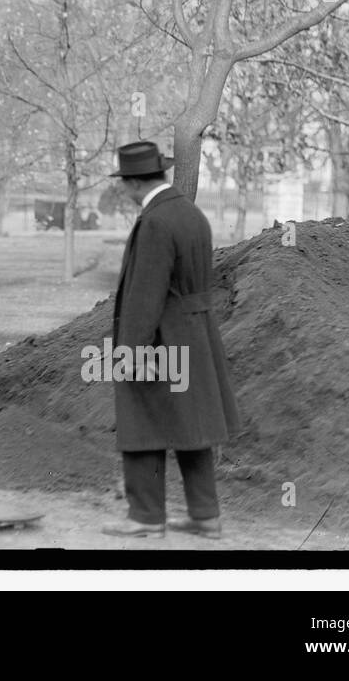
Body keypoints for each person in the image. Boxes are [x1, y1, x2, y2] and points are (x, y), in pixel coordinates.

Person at [99, 140, 240, 539]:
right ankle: (205, 516)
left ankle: (145, 517)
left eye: (124, 184)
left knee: (143, 422)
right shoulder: (192, 214)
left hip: (162, 339)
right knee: (191, 426)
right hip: (197, 333)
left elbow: (146, 293)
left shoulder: (155, 222)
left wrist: (132, 350)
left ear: (132, 183)